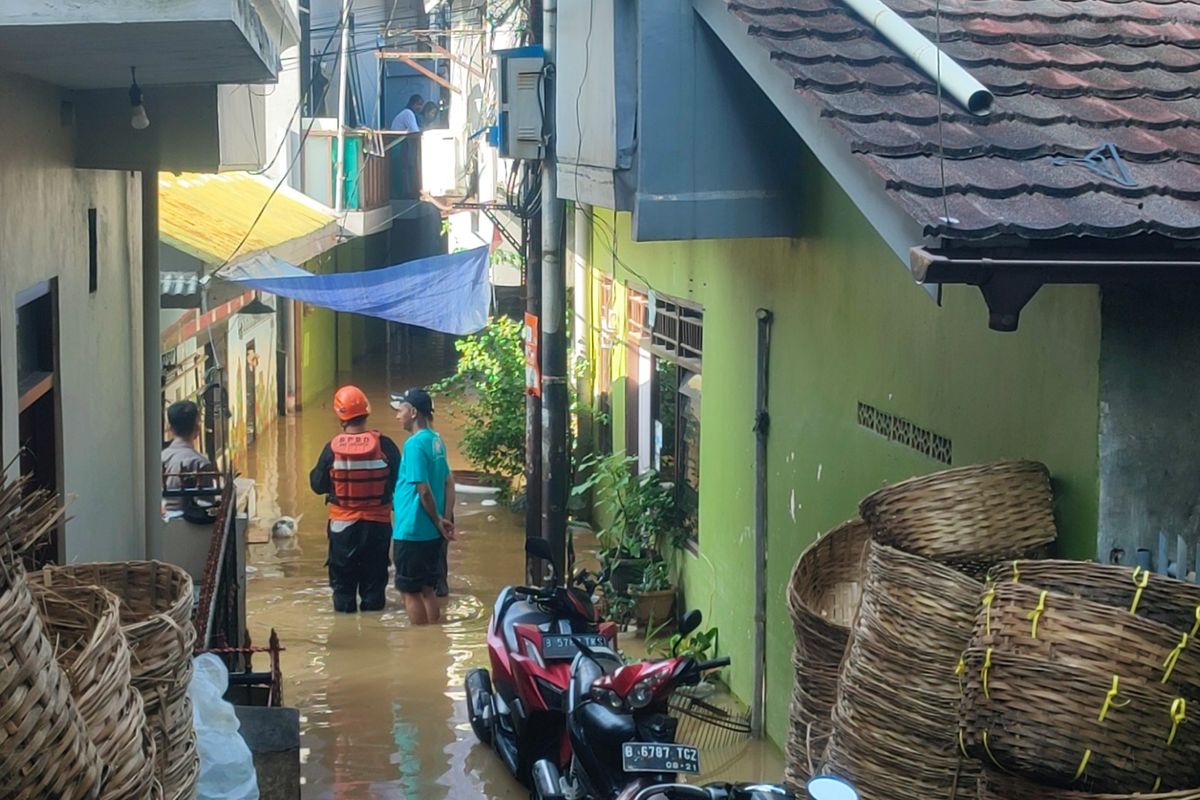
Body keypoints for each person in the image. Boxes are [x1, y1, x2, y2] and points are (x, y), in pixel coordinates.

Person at [309, 385, 402, 613]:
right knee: (374, 586)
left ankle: (344, 631)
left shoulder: (331, 449)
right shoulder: (385, 445)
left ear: (340, 415)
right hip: (378, 527)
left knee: (342, 588)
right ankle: (374, 636)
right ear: (366, 412)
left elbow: (317, 485)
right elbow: (399, 481)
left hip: (343, 528)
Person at [391, 388, 456, 624]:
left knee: (410, 592)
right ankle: (433, 641)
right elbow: (449, 482)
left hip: (412, 530)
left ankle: (419, 645)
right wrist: (443, 520)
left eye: (401, 411)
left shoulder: (414, 444)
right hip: (431, 532)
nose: (397, 416)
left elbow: (423, 489)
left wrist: (439, 520)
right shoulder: (436, 441)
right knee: (428, 590)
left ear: (413, 412)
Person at [162, 400, 216, 523]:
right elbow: (207, 505)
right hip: (191, 525)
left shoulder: (161, 458)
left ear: (170, 428)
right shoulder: (201, 463)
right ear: (197, 428)